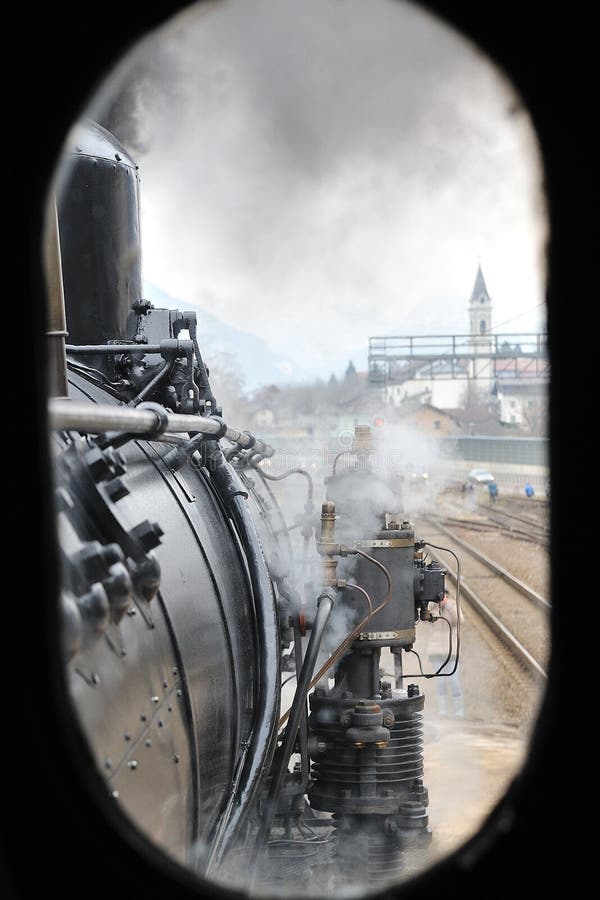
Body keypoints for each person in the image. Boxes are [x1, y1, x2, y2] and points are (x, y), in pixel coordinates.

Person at [427, 589, 465, 717]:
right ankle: (442, 710)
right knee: (440, 682)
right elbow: (425, 618)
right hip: (436, 651)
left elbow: (459, 621)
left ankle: (459, 710)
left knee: (454, 681)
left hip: (451, 651)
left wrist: (448, 606)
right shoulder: (433, 608)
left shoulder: (453, 606)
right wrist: (433, 605)